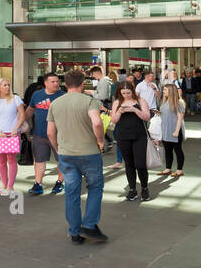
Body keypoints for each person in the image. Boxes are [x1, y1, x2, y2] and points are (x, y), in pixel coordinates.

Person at [46, 70, 107, 244]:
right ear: (82, 84)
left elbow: (50, 132)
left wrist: (58, 149)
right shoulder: (90, 101)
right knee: (95, 188)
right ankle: (89, 224)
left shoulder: (55, 103)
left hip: (66, 154)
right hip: (89, 153)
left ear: (65, 84)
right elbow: (96, 122)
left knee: (71, 193)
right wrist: (100, 140)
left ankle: (74, 232)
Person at [110, 80, 151, 201]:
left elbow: (147, 117)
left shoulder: (140, 101)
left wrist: (135, 110)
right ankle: (132, 189)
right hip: (123, 136)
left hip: (139, 135)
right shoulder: (117, 102)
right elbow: (114, 120)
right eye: (123, 93)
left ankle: (144, 188)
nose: (126, 95)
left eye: (128, 93)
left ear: (132, 91)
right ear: (119, 92)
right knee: (129, 164)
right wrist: (119, 111)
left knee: (140, 164)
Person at [27, 73, 65, 194]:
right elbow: (30, 109)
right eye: (53, 82)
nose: (56, 84)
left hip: (59, 135)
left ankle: (60, 182)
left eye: (57, 81)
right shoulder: (37, 94)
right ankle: (37, 184)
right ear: (45, 83)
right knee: (39, 160)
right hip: (39, 134)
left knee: (61, 160)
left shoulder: (63, 96)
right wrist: (21, 123)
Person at [0, 78, 24, 195]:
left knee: (11, 160)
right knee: (1, 161)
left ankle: (10, 187)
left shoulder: (15, 99)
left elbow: (22, 115)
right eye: (4, 85)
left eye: (8, 85)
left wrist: (15, 129)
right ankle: (4, 185)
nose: (7, 87)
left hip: (12, 133)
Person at [159, 82, 186, 176]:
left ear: (171, 91)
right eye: (164, 90)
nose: (163, 91)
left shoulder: (179, 102)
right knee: (167, 150)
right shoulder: (165, 102)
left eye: (165, 90)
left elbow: (180, 118)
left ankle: (179, 170)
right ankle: (168, 168)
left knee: (178, 150)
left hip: (175, 130)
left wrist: (176, 131)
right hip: (165, 130)